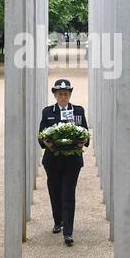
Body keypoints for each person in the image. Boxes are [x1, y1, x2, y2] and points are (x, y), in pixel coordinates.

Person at [38, 78, 89, 246]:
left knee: (68, 193)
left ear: (70, 94)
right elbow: (41, 134)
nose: (63, 97)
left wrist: (83, 140)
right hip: (53, 159)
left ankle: (68, 232)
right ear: (55, 95)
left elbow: (85, 133)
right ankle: (58, 220)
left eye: (66, 94)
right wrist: (45, 141)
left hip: (72, 159)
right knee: (55, 191)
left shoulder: (78, 111)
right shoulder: (48, 112)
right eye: (60, 94)